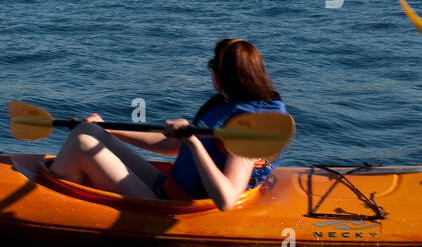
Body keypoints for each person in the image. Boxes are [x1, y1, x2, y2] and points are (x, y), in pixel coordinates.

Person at [49, 39, 287, 210]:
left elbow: (226, 199)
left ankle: (55, 202)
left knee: (82, 144)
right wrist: (108, 128)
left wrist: (192, 143)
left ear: (223, 76)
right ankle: (64, 183)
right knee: (88, 131)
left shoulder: (252, 127)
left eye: (212, 67)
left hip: (170, 207)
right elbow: (172, 146)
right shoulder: (227, 103)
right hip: (164, 187)